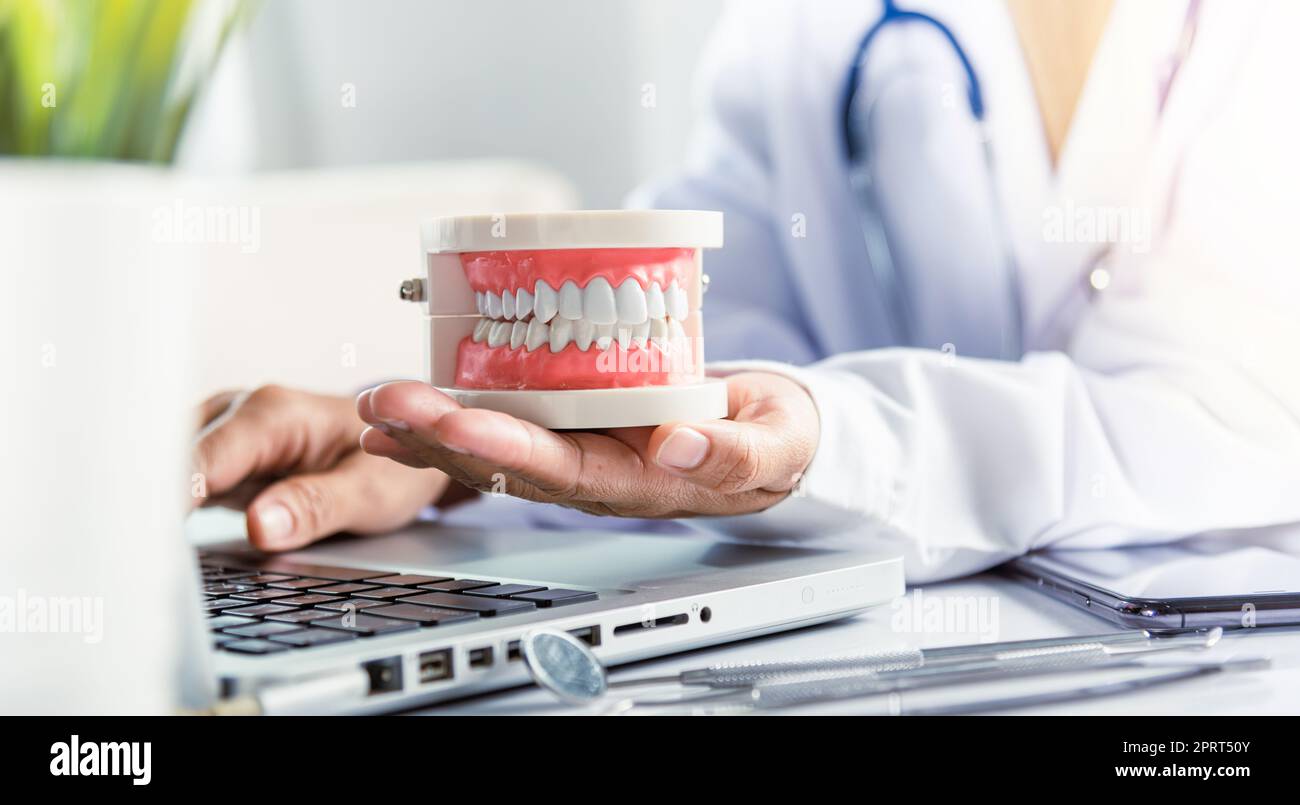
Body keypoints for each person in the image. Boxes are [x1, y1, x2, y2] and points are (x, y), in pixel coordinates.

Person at [194, 0, 1300, 582]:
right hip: (863, 651)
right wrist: (459, 459)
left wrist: (838, 437)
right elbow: (692, 341)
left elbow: (1232, 411)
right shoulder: (803, 19)